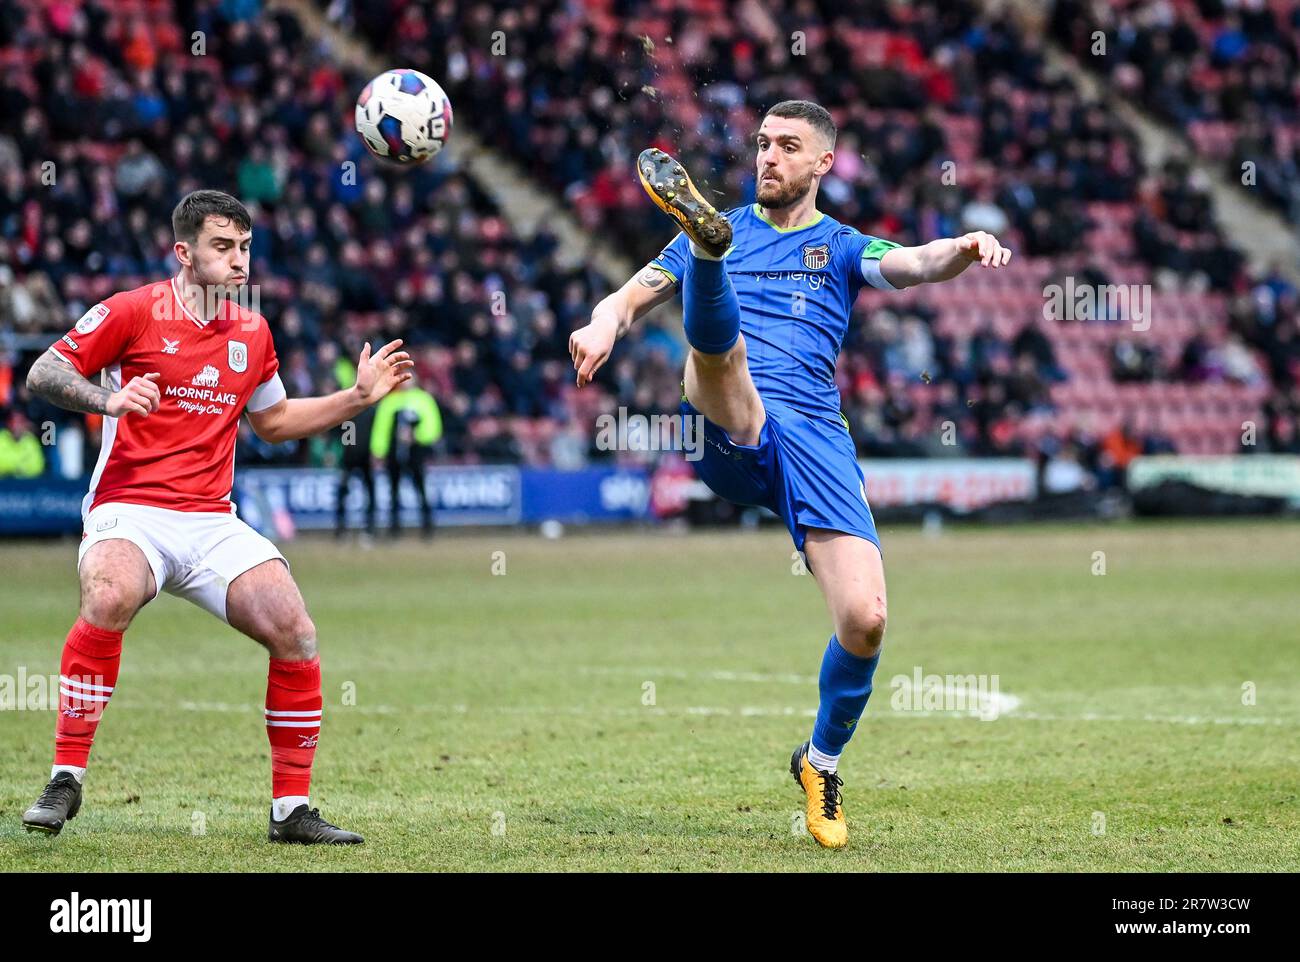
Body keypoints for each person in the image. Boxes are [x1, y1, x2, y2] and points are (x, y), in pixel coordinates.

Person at [568, 101, 1012, 848]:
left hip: (815, 440)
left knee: (866, 622)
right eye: (763, 144)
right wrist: (603, 324)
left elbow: (907, 263)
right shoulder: (726, 224)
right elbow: (627, 296)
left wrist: (964, 246)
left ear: (822, 163)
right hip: (729, 422)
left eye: (787, 146)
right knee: (725, 366)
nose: (767, 156)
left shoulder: (839, 245)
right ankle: (711, 269)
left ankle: (820, 762)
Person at [21, 190, 413, 844]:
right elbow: (45, 370)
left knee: (297, 631)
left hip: (210, 519)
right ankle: (65, 778)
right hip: (131, 509)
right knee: (109, 594)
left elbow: (276, 422)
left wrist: (355, 398)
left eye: (245, 247)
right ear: (184, 252)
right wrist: (107, 399)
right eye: (223, 247)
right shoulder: (132, 311)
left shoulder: (252, 332)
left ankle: (290, 811)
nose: (238, 261)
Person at [370, 375, 442, 538]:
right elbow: (381, 429)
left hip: (416, 453)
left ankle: (428, 526)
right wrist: (378, 451)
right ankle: (394, 528)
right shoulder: (390, 401)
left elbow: (433, 427)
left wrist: (416, 436)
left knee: (421, 488)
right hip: (394, 454)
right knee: (393, 491)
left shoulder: (424, 400)